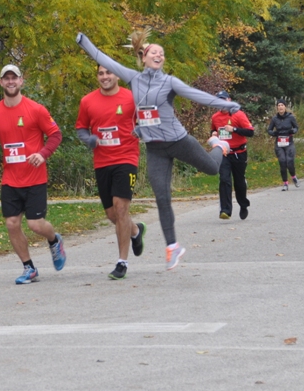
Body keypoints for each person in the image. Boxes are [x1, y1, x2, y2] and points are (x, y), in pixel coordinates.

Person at [76, 31, 234, 270]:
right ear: (144, 57)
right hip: (155, 149)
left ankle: (220, 146)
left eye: (162, 53)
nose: (158, 55)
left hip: (179, 141)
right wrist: (83, 41)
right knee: (162, 197)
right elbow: (102, 57)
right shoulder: (133, 79)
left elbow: (197, 95)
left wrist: (226, 104)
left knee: (212, 169)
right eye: (154, 52)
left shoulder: (170, 82)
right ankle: (172, 247)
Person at [0, 64, 65, 285]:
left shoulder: (36, 110)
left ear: (21, 81)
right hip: (10, 179)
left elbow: (55, 135)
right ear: (1, 82)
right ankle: (29, 268)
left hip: (35, 177)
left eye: (14, 78)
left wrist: (43, 154)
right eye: (6, 78)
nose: (10, 82)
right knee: (12, 223)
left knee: (36, 225)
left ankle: (54, 241)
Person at [75, 65, 145, 280]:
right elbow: (81, 129)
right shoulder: (87, 101)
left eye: (109, 73)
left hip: (126, 158)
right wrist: (89, 140)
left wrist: (141, 130)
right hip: (102, 162)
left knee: (121, 207)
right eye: (101, 73)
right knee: (111, 214)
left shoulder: (132, 97)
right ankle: (135, 231)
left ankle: (121, 262)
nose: (105, 77)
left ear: (117, 75)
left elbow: (149, 119)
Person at [212, 90, 254, 219]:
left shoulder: (239, 115)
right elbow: (214, 129)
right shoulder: (215, 117)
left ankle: (243, 204)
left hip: (239, 152)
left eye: (224, 100)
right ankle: (225, 210)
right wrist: (213, 134)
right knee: (224, 179)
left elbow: (250, 132)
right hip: (224, 152)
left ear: (229, 100)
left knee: (239, 181)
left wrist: (234, 129)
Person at [267, 100, 299, 190]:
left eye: (282, 105)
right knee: (282, 162)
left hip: (289, 142)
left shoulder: (290, 117)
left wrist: (293, 131)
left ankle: (293, 177)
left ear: (285, 107)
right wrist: (273, 133)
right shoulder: (274, 118)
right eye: (279, 105)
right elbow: (269, 129)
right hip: (279, 143)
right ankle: (285, 183)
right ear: (277, 107)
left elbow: (296, 127)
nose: (280, 107)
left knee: (289, 162)